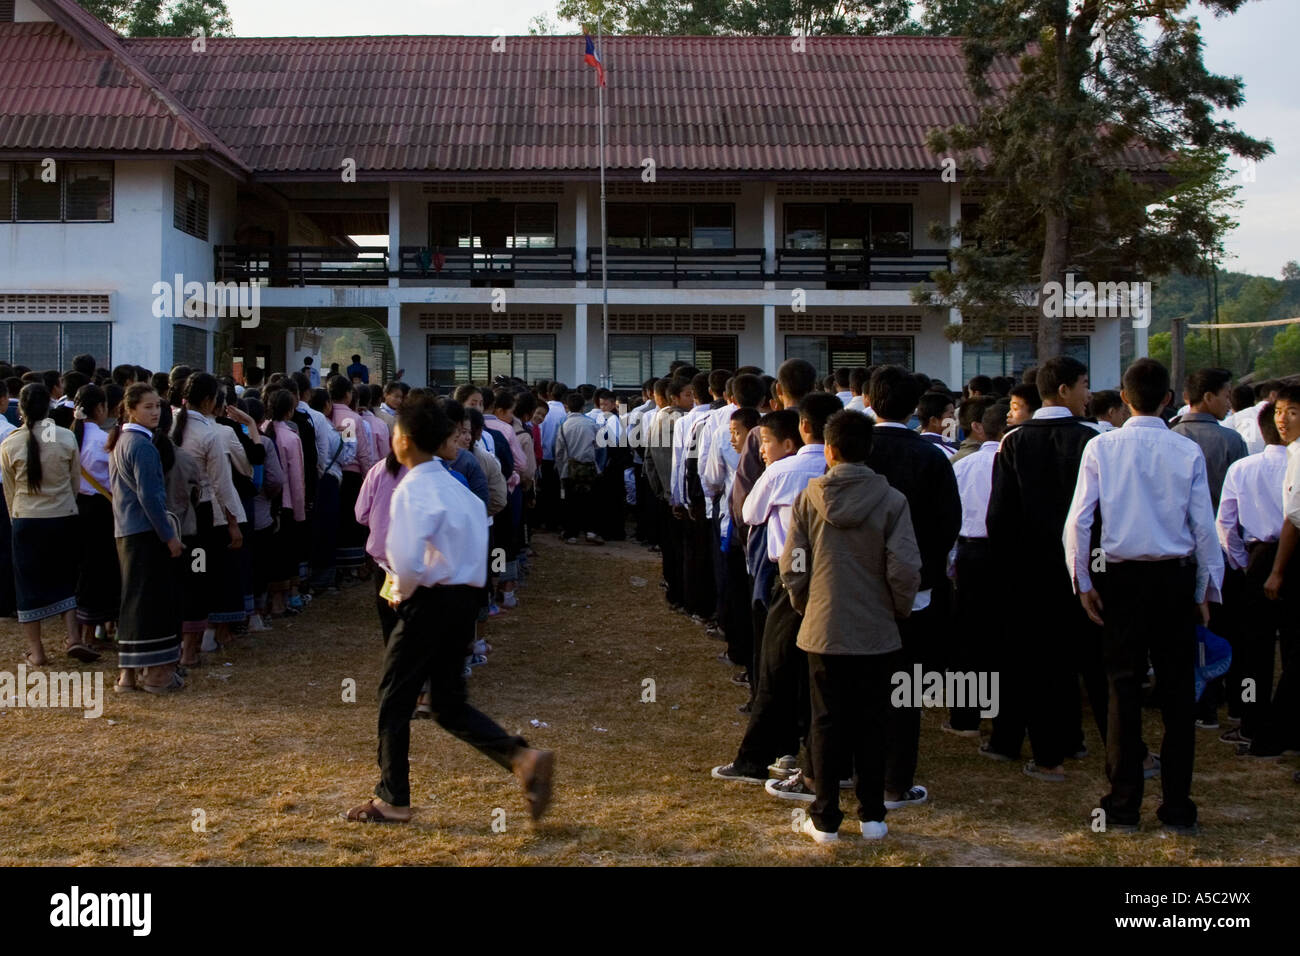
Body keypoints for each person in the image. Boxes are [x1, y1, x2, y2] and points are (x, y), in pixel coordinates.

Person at [345, 396, 554, 824]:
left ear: (403, 441)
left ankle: (392, 797)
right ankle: (521, 756)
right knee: (448, 703)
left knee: (394, 698)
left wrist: (399, 591)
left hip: (427, 601)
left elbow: (405, 560)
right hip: (464, 599)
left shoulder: (413, 488)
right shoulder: (460, 490)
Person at [1064, 358, 1223, 833]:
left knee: (1122, 689)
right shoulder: (1185, 451)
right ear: (1167, 399)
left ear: (1124, 398)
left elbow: (1078, 522)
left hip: (1122, 579)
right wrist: (1204, 588)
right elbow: (1204, 528)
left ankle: (1123, 803)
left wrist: (1083, 583)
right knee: (1177, 694)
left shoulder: (1101, 447)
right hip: (1173, 580)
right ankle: (1177, 807)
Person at [779, 410, 921, 842]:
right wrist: (898, 608)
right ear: (869, 450)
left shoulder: (808, 498)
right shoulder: (892, 500)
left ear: (829, 449)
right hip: (876, 629)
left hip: (824, 625)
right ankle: (873, 814)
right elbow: (904, 566)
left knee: (825, 722)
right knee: (873, 722)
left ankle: (824, 817)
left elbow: (793, 563)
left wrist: (804, 601)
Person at [985, 356, 1110, 779]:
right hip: (1082, 568)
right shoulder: (1093, 439)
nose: (1088, 393)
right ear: (1063, 390)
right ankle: (1071, 742)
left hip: (1026, 569)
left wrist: (1004, 571)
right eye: (1084, 384)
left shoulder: (1014, 441)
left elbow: (998, 517)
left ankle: (1038, 750)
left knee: (1031, 658)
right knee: (1081, 658)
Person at [864, 365, 961, 809]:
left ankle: (848, 767)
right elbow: (947, 525)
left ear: (869, 400)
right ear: (915, 408)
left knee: (855, 681)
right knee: (904, 683)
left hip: (857, 586)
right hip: (915, 587)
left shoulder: (852, 450)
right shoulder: (932, 457)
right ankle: (896, 780)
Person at [1, 384, 98, 665]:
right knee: (65, 578)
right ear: (50, 407)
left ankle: (37, 651)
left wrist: (15, 519)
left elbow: (9, 490)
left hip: (27, 519)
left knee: (27, 586)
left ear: (20, 410)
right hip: (63, 516)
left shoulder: (10, 443)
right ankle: (73, 638)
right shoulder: (65, 437)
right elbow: (75, 483)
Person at [1216, 400, 1293, 752]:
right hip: (1291, 555)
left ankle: (1250, 721)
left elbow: (1225, 524)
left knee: (1254, 651)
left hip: (1258, 556)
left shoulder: (1243, 469)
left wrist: (1240, 561)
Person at [107, 384, 185, 693]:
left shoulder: (122, 441)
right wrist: (169, 537)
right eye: (148, 407)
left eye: (157, 407)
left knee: (133, 602)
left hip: (126, 531)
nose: (154, 412)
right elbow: (151, 497)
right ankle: (157, 676)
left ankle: (128, 675)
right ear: (131, 409)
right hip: (145, 533)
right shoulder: (141, 446)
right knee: (151, 605)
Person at [171, 372, 246, 667]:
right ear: (209, 400)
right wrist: (233, 522)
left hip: (170, 518)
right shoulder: (208, 435)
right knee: (197, 579)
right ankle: (190, 650)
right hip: (200, 518)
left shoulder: (168, 425)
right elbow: (221, 485)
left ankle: (176, 645)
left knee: (176, 579)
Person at [945, 405, 1007, 736]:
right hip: (1005, 553)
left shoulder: (962, 465)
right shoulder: (1014, 465)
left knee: (967, 638)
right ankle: (1000, 714)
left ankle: (964, 718)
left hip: (970, 553)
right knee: (1002, 634)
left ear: (981, 429)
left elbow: (950, 517)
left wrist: (952, 559)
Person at [72, 384, 122, 645]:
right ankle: (95, 632)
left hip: (76, 507)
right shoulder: (104, 440)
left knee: (82, 569)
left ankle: (79, 634)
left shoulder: (70, 437)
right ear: (101, 409)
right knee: (101, 570)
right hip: (102, 510)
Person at [554, 391, 601, 545]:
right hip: (589, 468)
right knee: (590, 501)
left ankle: (571, 534)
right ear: (583, 407)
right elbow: (599, 445)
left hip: (570, 468)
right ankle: (591, 531)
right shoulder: (592, 424)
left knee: (571, 503)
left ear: (567, 407)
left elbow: (559, 452)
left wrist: (561, 471)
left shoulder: (563, 426)